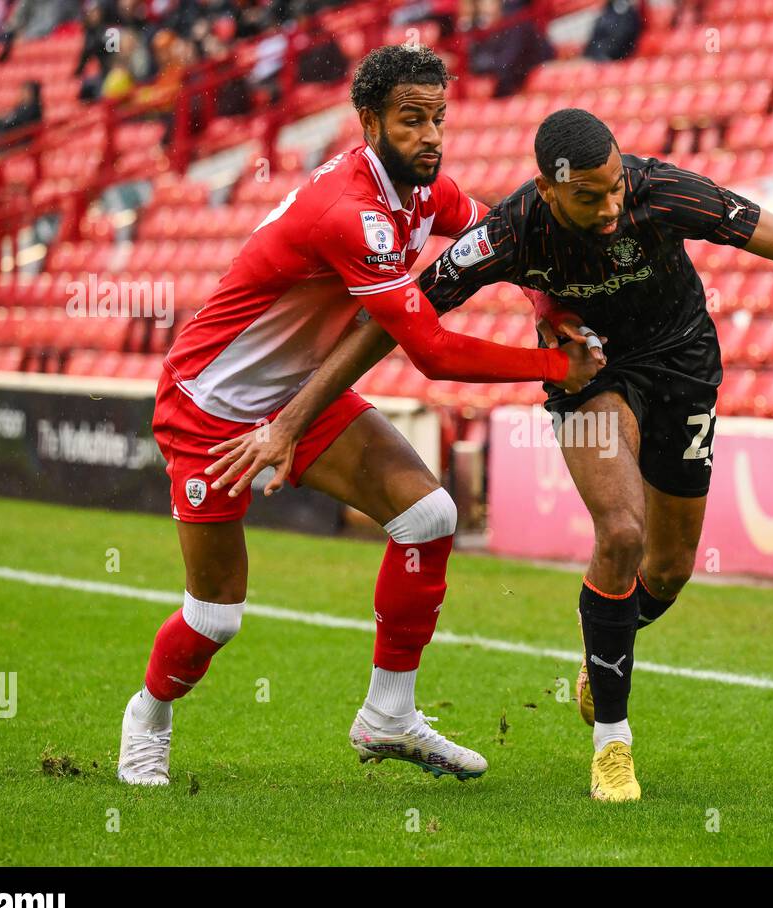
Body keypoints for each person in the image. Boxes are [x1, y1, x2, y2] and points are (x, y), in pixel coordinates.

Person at [263, 109, 773, 801]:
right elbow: (396, 323)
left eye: (616, 186)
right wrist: (292, 420)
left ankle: (603, 644)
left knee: (671, 569)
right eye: (590, 196)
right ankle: (612, 745)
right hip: (590, 375)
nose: (612, 206)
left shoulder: (663, 192)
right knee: (621, 532)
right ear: (549, 190)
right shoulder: (511, 232)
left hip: (683, 366)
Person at [116, 45, 599, 787]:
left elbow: (506, 242)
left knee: (429, 517)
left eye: (439, 118)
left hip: (300, 398)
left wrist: (546, 307)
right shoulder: (351, 214)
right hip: (209, 410)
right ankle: (147, 716)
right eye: (412, 120)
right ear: (368, 121)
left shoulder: (423, 194)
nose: (431, 136)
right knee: (216, 616)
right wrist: (551, 367)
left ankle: (389, 715)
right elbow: (430, 352)